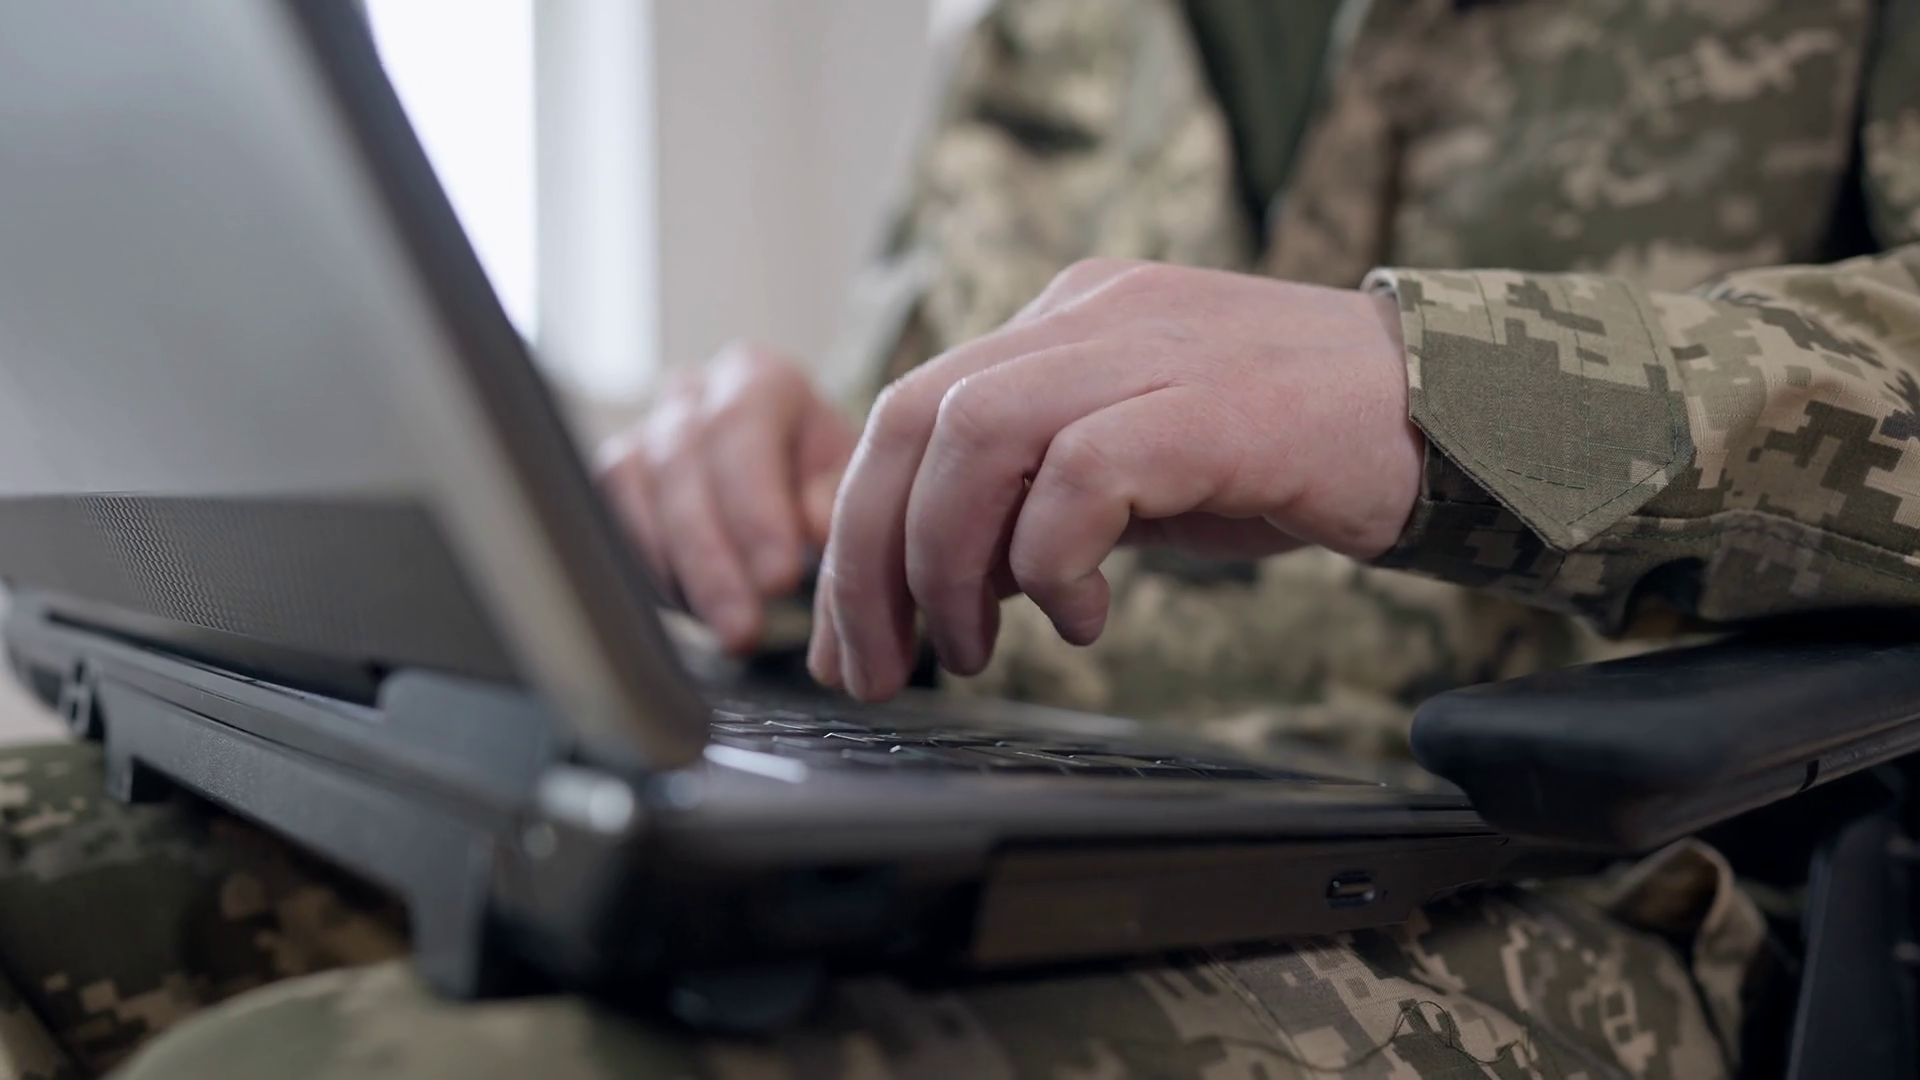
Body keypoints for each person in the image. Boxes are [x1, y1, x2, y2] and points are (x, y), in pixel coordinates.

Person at [0, 0, 1915, 1076]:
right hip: (1010, 771)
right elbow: (947, 426)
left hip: (1589, 883)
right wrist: (772, 477)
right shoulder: (1052, 29)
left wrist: (1433, 392)